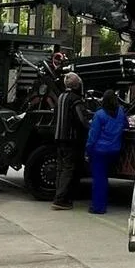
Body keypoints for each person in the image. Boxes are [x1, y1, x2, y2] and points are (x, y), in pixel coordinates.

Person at [86, 90, 128, 215]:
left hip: (99, 151)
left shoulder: (99, 115)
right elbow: (126, 125)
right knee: (104, 178)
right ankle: (102, 203)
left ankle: (98, 207)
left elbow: (93, 135)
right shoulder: (120, 112)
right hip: (114, 150)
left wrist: (88, 149)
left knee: (99, 180)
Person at [52, 73, 90, 210]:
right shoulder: (76, 100)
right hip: (70, 139)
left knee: (60, 168)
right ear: (77, 85)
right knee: (69, 168)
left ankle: (58, 195)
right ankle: (61, 199)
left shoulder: (60, 97)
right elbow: (82, 120)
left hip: (58, 137)